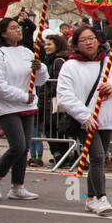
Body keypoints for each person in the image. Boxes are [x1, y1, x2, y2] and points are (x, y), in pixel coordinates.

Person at [56, 24, 112, 214]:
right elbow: (65, 96)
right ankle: (101, 197)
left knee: (100, 158)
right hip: (84, 121)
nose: (88, 43)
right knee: (96, 157)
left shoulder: (110, 62)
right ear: (76, 45)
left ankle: (90, 197)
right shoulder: (70, 66)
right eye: (83, 40)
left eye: (91, 39)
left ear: (98, 40)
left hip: (105, 119)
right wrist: (84, 116)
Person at [0, 16, 50, 201]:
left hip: (27, 105)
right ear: (3, 33)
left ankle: (17, 186)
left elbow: (41, 80)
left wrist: (40, 68)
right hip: (7, 106)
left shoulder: (27, 52)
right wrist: (22, 96)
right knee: (17, 145)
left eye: (18, 27)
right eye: (13, 28)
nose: (18, 30)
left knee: (24, 147)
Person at [30, 33, 68, 168]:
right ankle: (59, 156)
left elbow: (57, 82)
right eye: (45, 44)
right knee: (50, 129)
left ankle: (62, 157)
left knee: (53, 129)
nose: (46, 47)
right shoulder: (49, 59)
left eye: (49, 44)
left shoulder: (58, 61)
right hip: (46, 100)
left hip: (52, 101)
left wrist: (49, 93)